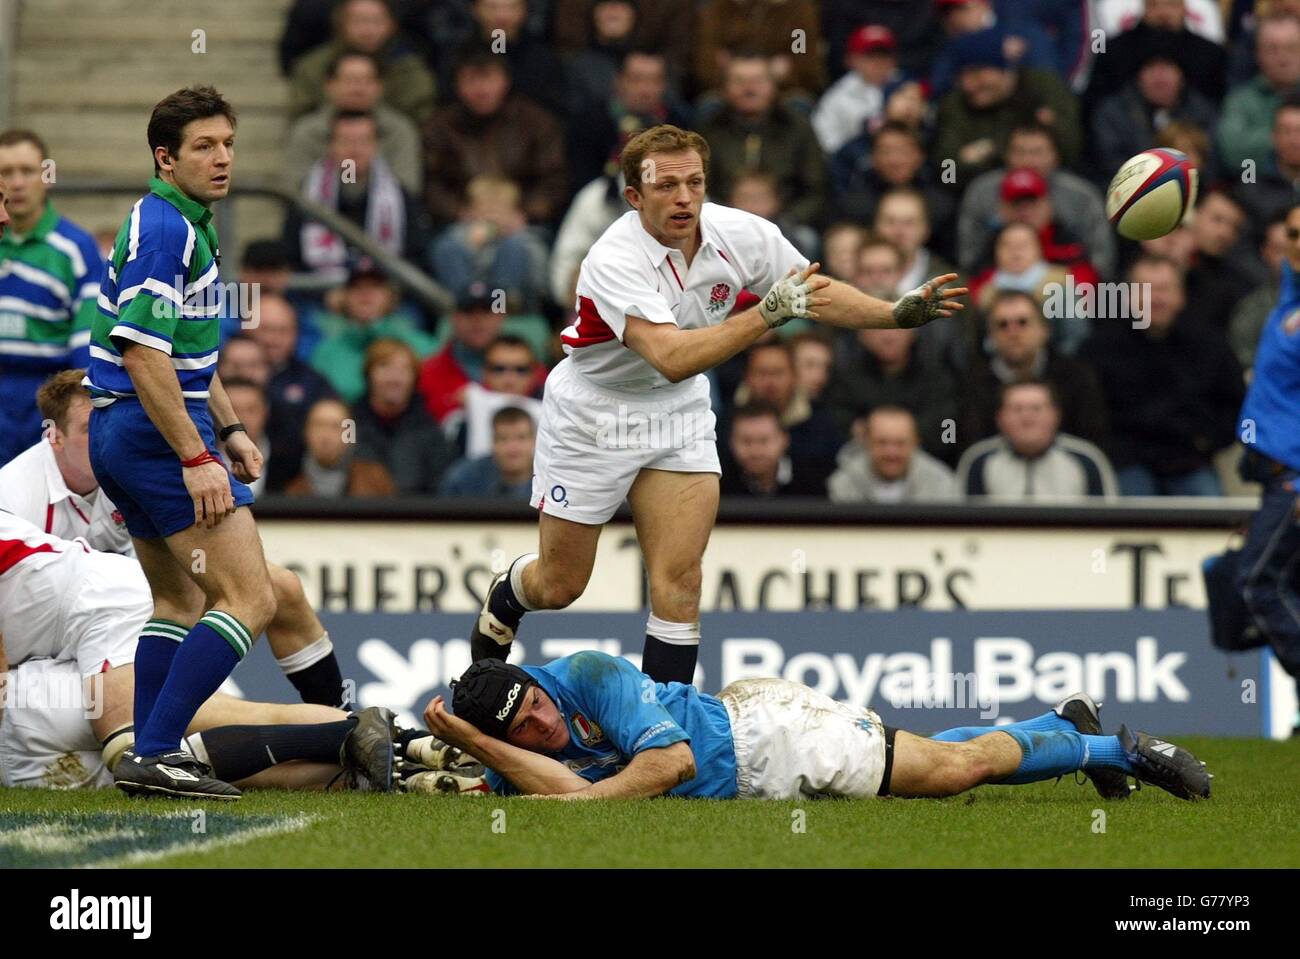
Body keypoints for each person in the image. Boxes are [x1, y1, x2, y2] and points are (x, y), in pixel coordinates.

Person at [472, 124, 965, 685]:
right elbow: (671, 355)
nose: (683, 198)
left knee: (680, 582)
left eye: (695, 182)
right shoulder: (612, 258)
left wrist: (892, 313)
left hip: (678, 410)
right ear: (634, 196)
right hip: (595, 413)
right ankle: (509, 595)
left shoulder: (742, 233)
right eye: (665, 186)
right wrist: (765, 315)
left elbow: (811, 291)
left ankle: (665, 737)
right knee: (560, 586)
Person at [83, 87, 280, 799]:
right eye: (203, 145)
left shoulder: (181, 220)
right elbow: (143, 353)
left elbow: (184, 345)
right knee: (250, 597)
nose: (222, 157)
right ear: (165, 158)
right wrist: (197, 456)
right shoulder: (168, 228)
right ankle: (160, 748)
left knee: (176, 600)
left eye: (227, 142)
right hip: (151, 427)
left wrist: (227, 427)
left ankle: (145, 748)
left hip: (119, 430)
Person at [424, 652, 1211, 801]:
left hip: (764, 740)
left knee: (954, 773)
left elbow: (668, 767)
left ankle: (1118, 748)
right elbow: (547, 780)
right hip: (756, 759)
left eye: (534, 704)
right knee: (939, 757)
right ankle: (1063, 723)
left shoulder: (590, 674)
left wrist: (580, 803)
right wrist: (484, 746)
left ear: (537, 681)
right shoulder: (509, 755)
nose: (542, 725)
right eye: (520, 731)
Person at [1203, 202, 1300, 720]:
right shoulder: (1287, 300)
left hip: (1295, 480)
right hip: (1274, 477)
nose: (1295, 242)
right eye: (1291, 232)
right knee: (1289, 587)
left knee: (1256, 583)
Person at [1079, 256, 1244, 496]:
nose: (1156, 299)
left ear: (1181, 295)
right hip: (1126, 462)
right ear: (1127, 297)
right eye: (1145, 290)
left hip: (1189, 460)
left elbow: (1234, 404)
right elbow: (1087, 412)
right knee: (1134, 521)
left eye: (1165, 290)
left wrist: (1207, 440)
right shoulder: (1099, 348)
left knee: (1212, 518)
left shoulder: (1209, 346)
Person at [0, 128, 105, 466]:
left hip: (44, 396)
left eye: (27, 171)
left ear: (46, 176)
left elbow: (85, 343)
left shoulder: (76, 248)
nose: (16, 183)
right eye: (5, 172)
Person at [960, 290, 1109, 448]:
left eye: (1023, 322)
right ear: (990, 335)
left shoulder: (1076, 376)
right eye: (1002, 325)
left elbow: (1093, 436)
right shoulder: (970, 381)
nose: (1013, 332)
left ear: (1044, 331)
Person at [284, 49, 422, 194]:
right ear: (329, 85)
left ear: (380, 86)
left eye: (366, 81)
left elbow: (407, 187)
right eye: (349, 80)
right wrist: (345, 172)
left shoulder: (399, 131)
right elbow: (296, 189)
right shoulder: (308, 132)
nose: (358, 89)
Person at [956, 380, 1118, 500]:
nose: (1027, 417)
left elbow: (1107, 525)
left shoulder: (1086, 461)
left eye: (1036, 408)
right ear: (1000, 418)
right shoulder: (978, 462)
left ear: (1056, 415)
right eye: (1017, 409)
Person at [351, 338, 454, 494]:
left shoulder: (429, 429)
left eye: (404, 370)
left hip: (414, 513)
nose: (394, 379)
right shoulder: (348, 423)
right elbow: (340, 466)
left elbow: (440, 484)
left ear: (414, 379)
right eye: (384, 367)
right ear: (368, 374)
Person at [828, 406, 959, 503]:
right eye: (882, 442)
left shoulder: (941, 482)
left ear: (915, 443)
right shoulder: (844, 483)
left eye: (900, 443)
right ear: (867, 442)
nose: (891, 453)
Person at [284, 397, 396, 497]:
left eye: (335, 426)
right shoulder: (293, 492)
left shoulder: (376, 480)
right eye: (319, 425)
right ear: (306, 433)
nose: (326, 436)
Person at [719, 403, 827, 498]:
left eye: (764, 441)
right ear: (731, 442)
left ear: (784, 440)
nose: (755, 451)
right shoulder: (719, 484)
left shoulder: (811, 482)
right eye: (746, 441)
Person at [439, 406, 536, 499]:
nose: (512, 447)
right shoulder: (463, 479)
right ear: (492, 443)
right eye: (503, 439)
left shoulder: (549, 481)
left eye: (521, 438)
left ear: (534, 441)